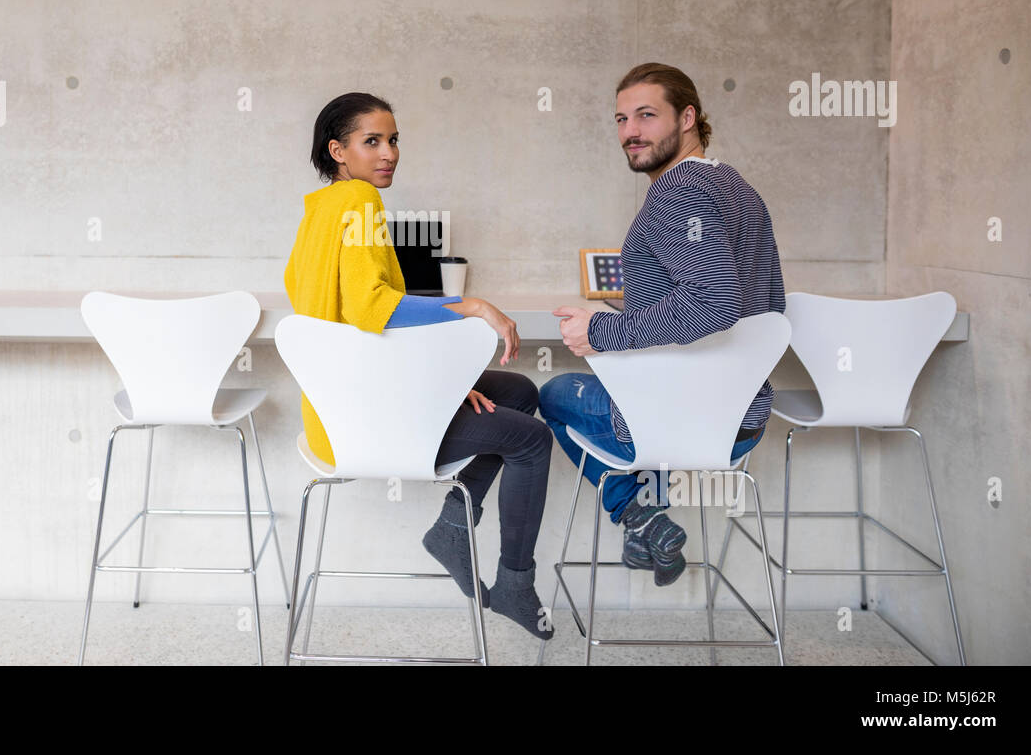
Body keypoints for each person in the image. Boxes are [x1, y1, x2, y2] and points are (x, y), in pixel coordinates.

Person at [284, 92, 554, 639]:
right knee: (531, 439)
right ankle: (515, 583)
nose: (389, 152)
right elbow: (370, 308)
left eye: (394, 139)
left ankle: (454, 528)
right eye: (372, 141)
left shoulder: (319, 211)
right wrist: (471, 306)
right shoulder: (360, 201)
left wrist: (448, 385)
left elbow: (346, 324)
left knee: (519, 391)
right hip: (370, 419)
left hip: (339, 408)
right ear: (338, 150)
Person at [540, 63, 785, 586]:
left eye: (647, 115)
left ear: (689, 117)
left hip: (676, 419)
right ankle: (645, 528)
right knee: (641, 390)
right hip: (738, 423)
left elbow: (714, 304)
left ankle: (639, 515)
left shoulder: (680, 190)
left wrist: (602, 331)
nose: (631, 131)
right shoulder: (739, 189)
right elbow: (764, 309)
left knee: (555, 393)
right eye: (622, 118)